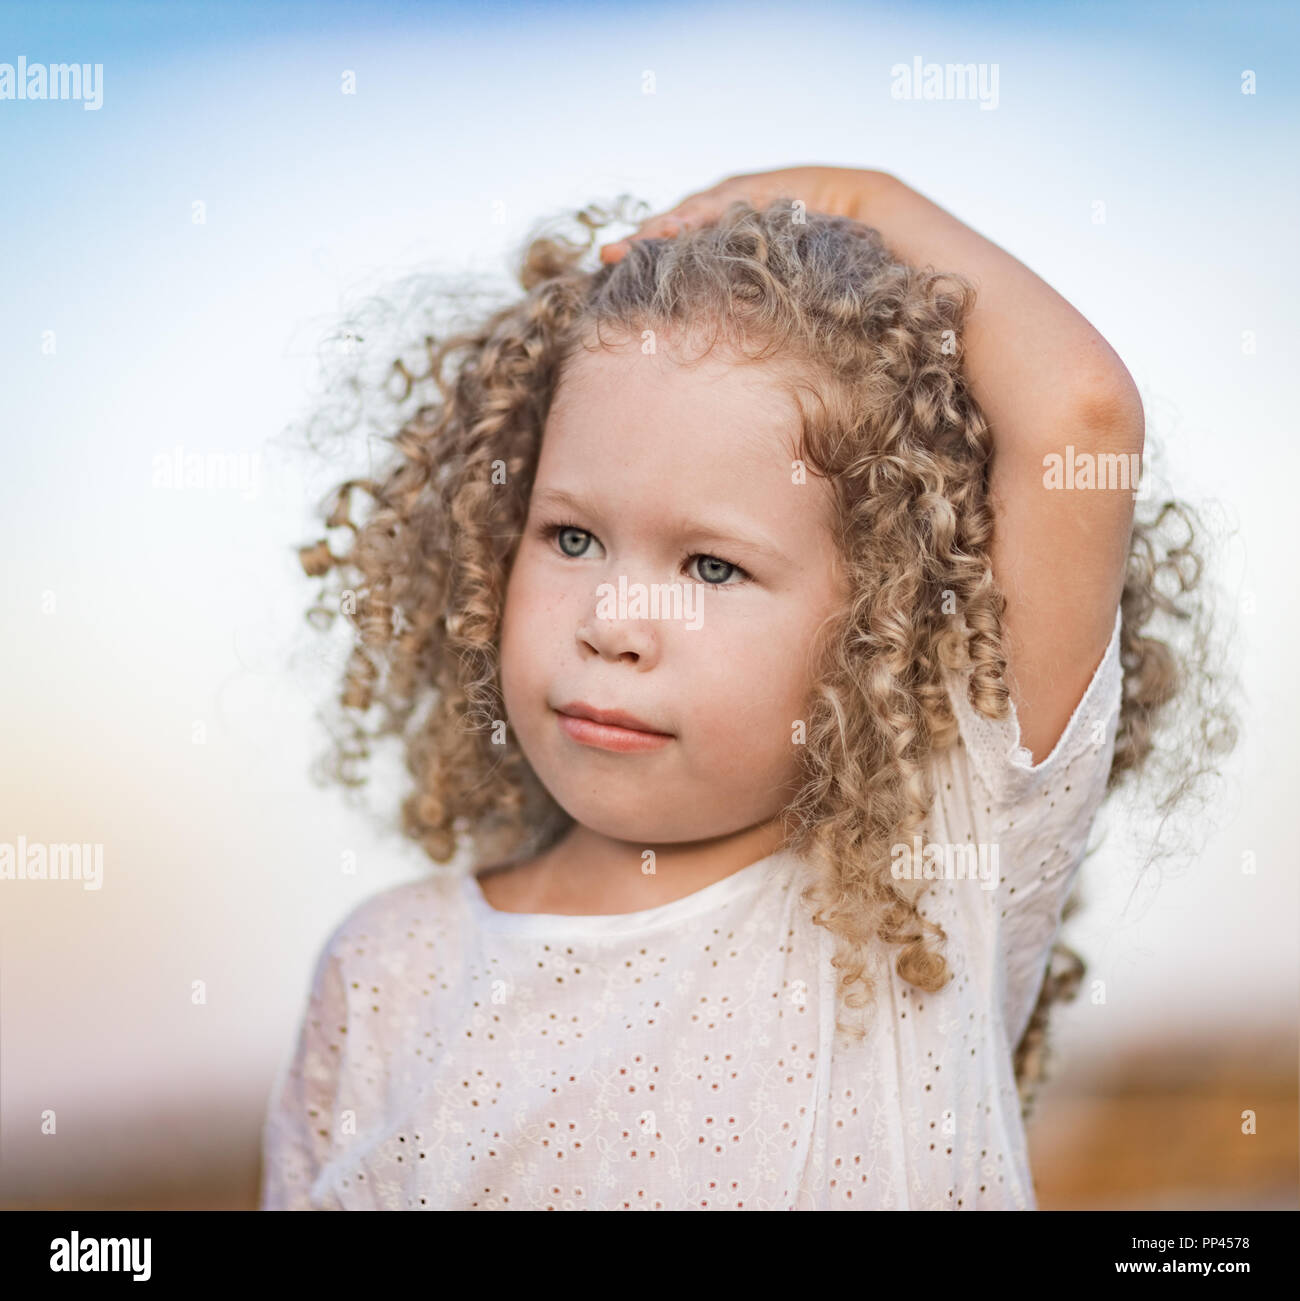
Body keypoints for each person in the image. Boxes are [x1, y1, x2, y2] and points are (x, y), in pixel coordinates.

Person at [260, 166, 1236, 1209]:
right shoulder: (386, 974)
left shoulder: (931, 893)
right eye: (573, 537)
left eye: (711, 567)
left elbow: (1079, 419)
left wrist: (856, 199)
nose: (612, 622)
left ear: (885, 629)